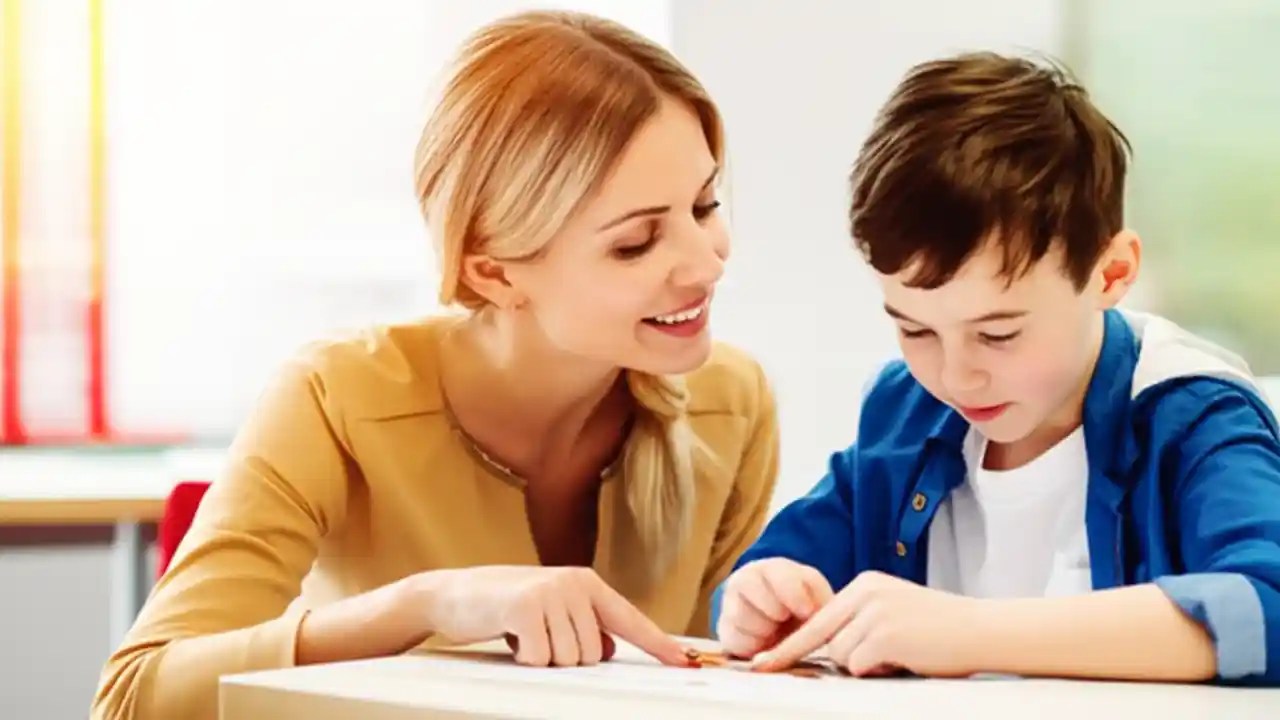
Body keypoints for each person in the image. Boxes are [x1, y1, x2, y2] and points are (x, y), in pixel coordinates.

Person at [93, 10, 780, 719]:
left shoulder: (730, 402)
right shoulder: (336, 397)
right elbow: (134, 699)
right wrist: (430, 604)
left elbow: (712, 686)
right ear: (493, 273)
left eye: (705, 205)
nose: (708, 263)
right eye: (635, 243)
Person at [713, 51, 1280, 685]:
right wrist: (757, 598)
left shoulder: (1194, 416)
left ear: (1110, 273)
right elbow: (779, 568)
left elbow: (1269, 606)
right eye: (914, 328)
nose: (957, 377)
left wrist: (970, 632)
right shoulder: (907, 412)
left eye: (998, 333)